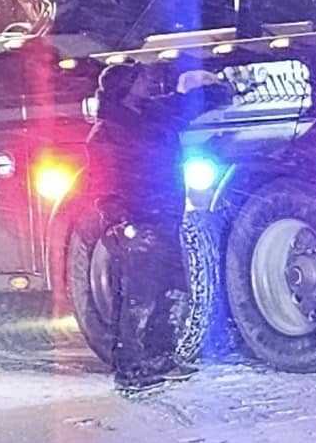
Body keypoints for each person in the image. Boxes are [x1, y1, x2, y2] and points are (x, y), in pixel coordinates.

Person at [87, 61, 230, 391]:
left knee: (170, 290)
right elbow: (102, 184)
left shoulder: (153, 114)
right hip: (139, 222)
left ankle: (160, 357)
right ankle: (132, 368)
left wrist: (218, 91)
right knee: (139, 298)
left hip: (165, 215)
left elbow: (188, 105)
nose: (147, 82)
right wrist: (120, 224)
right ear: (125, 88)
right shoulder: (107, 132)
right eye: (139, 79)